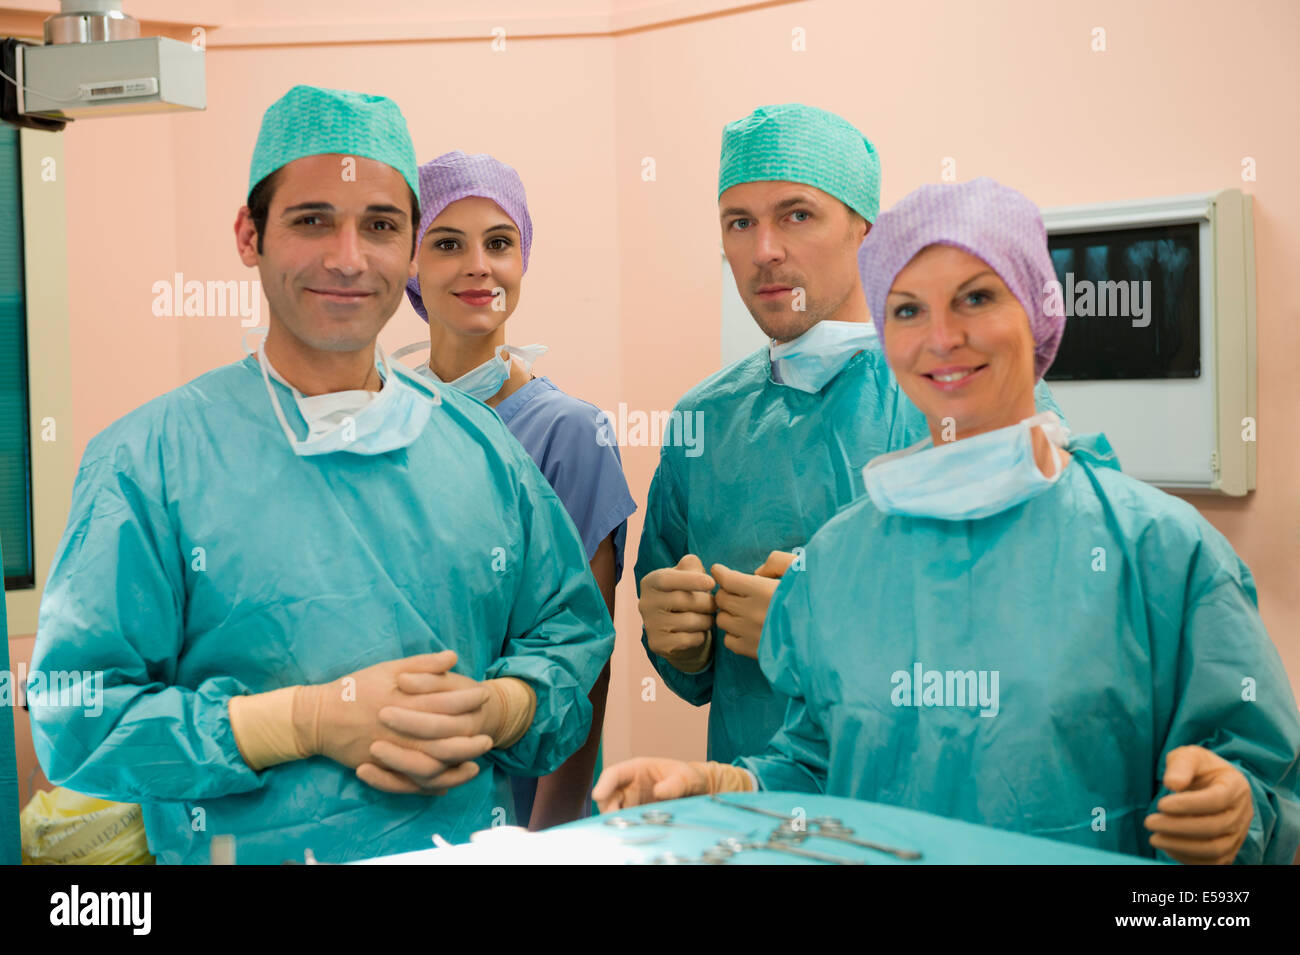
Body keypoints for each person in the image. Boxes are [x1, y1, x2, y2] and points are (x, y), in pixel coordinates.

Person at [595, 178, 1300, 864]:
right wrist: (723, 787)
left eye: (976, 297)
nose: (941, 337)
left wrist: (1239, 810)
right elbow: (816, 767)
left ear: (1036, 308)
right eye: (906, 310)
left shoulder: (1161, 553)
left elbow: (1266, 777)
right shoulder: (841, 560)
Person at [27, 86, 614, 864]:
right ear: (248, 234)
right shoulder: (150, 459)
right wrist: (297, 721)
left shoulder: (481, 449)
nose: (348, 257)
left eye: (380, 226)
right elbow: (77, 716)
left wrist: (502, 706)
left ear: (409, 249)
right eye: (312, 221)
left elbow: (572, 638)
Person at [635, 104, 1063, 763]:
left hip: (931, 803)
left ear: (865, 227)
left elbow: (1042, 619)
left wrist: (822, 625)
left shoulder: (962, 390)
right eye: (738, 223)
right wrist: (681, 643)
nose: (764, 250)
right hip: (755, 806)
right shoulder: (706, 421)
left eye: (796, 215)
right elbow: (693, 660)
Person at [396, 151, 635, 827]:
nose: (478, 265)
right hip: (404, 797)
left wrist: (550, 834)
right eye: (447, 243)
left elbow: (589, 658)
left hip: (525, 806)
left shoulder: (569, 434)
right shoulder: (391, 425)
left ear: (522, 260)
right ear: (410, 264)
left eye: (499, 243)